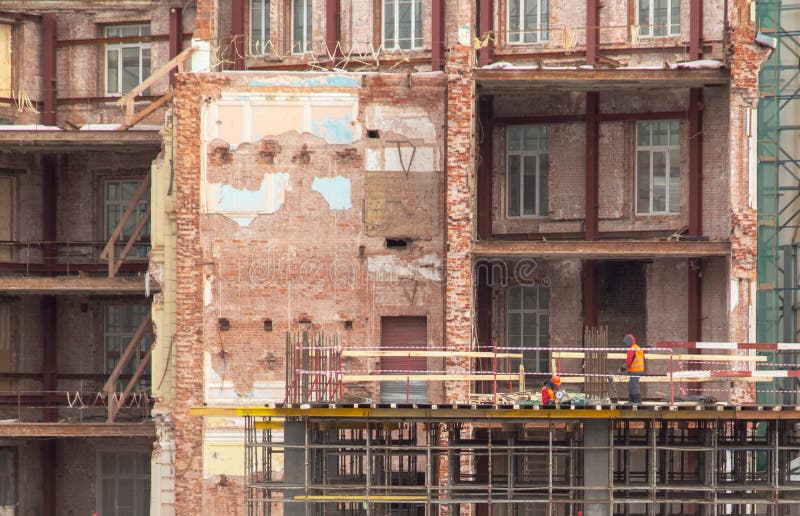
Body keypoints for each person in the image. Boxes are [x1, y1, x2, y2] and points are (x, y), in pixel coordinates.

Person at [620, 334, 645, 404]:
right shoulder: (638, 348)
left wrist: (622, 368)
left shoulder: (632, 349)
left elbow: (628, 361)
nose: (626, 345)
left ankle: (637, 402)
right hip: (639, 370)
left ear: (628, 342)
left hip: (635, 370)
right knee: (632, 385)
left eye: (626, 343)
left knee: (634, 386)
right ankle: (631, 401)